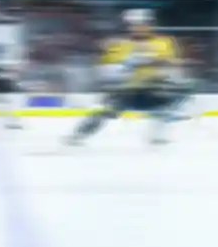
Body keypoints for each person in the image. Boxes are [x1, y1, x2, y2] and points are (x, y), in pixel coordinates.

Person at [66, 8, 187, 147]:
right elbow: (107, 71)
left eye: (144, 24)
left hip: (153, 88)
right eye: (135, 24)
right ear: (128, 26)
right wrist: (128, 65)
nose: (140, 27)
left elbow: (173, 64)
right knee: (106, 111)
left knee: (180, 93)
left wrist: (155, 64)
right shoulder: (118, 45)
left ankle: (157, 135)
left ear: (151, 24)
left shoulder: (165, 42)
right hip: (126, 90)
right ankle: (79, 135)